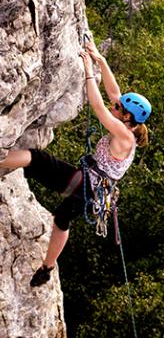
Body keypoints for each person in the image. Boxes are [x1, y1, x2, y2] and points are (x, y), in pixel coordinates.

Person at [0, 40, 150, 287]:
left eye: (119, 108)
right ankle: (47, 267)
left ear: (127, 118)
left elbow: (100, 108)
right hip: (91, 188)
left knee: (37, 159)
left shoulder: (125, 136)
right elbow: (114, 94)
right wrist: (99, 58)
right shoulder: (128, 122)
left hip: (87, 185)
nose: (115, 105)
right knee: (61, 218)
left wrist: (88, 71)